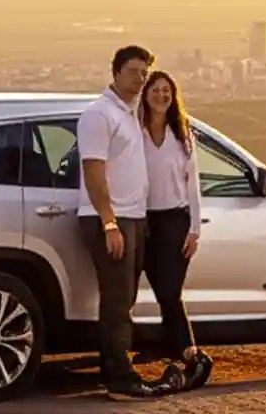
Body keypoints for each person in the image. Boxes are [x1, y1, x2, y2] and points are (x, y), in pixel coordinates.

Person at [76, 44, 182, 398]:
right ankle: (119, 379)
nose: (140, 80)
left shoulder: (129, 114)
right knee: (117, 301)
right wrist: (109, 223)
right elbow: (93, 170)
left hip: (134, 219)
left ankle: (116, 369)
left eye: (144, 73)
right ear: (116, 72)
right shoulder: (99, 115)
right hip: (112, 219)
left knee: (126, 299)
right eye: (134, 72)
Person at [138, 70, 214, 390]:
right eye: (155, 90)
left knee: (170, 291)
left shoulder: (182, 135)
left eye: (167, 91)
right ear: (146, 95)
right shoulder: (134, 132)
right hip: (142, 221)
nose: (161, 95)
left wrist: (194, 229)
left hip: (174, 221)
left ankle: (192, 354)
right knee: (158, 290)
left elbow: (192, 186)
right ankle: (172, 347)